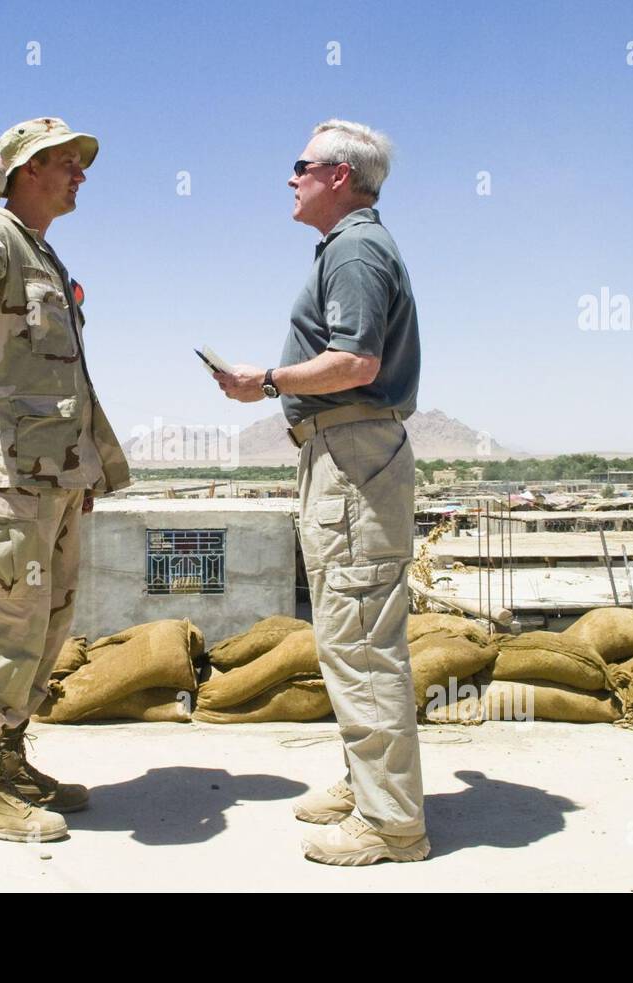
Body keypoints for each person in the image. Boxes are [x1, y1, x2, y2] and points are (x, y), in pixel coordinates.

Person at [215, 119, 427, 866]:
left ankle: (391, 824)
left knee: (362, 637)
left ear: (339, 175)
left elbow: (357, 361)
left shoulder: (358, 248)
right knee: (350, 634)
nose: (290, 177)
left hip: (355, 454)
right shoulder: (348, 246)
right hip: (343, 454)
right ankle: (366, 782)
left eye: (300, 165)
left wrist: (264, 380)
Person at [0, 116, 130, 843]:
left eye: (81, 160)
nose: (81, 172)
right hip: (10, 473)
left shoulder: (41, 253)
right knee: (3, 620)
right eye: (65, 161)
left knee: (45, 622)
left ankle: (8, 755)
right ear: (23, 170)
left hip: (55, 474)